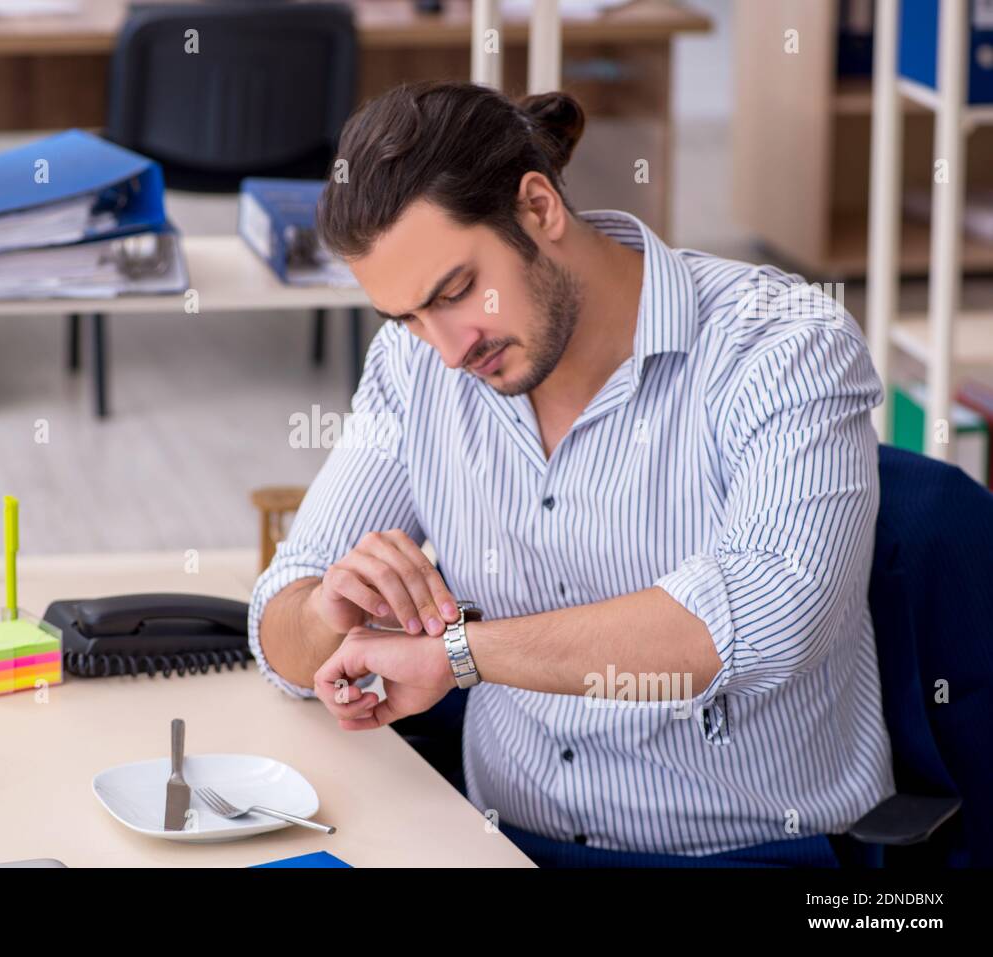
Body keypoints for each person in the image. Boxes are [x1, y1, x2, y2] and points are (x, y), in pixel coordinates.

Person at [247, 80, 894, 867]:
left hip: (744, 851)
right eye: (409, 316)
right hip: (492, 843)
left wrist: (462, 652)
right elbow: (279, 623)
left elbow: (769, 617)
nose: (449, 348)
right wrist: (327, 609)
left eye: (455, 292)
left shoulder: (783, 345)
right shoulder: (416, 367)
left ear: (539, 207)